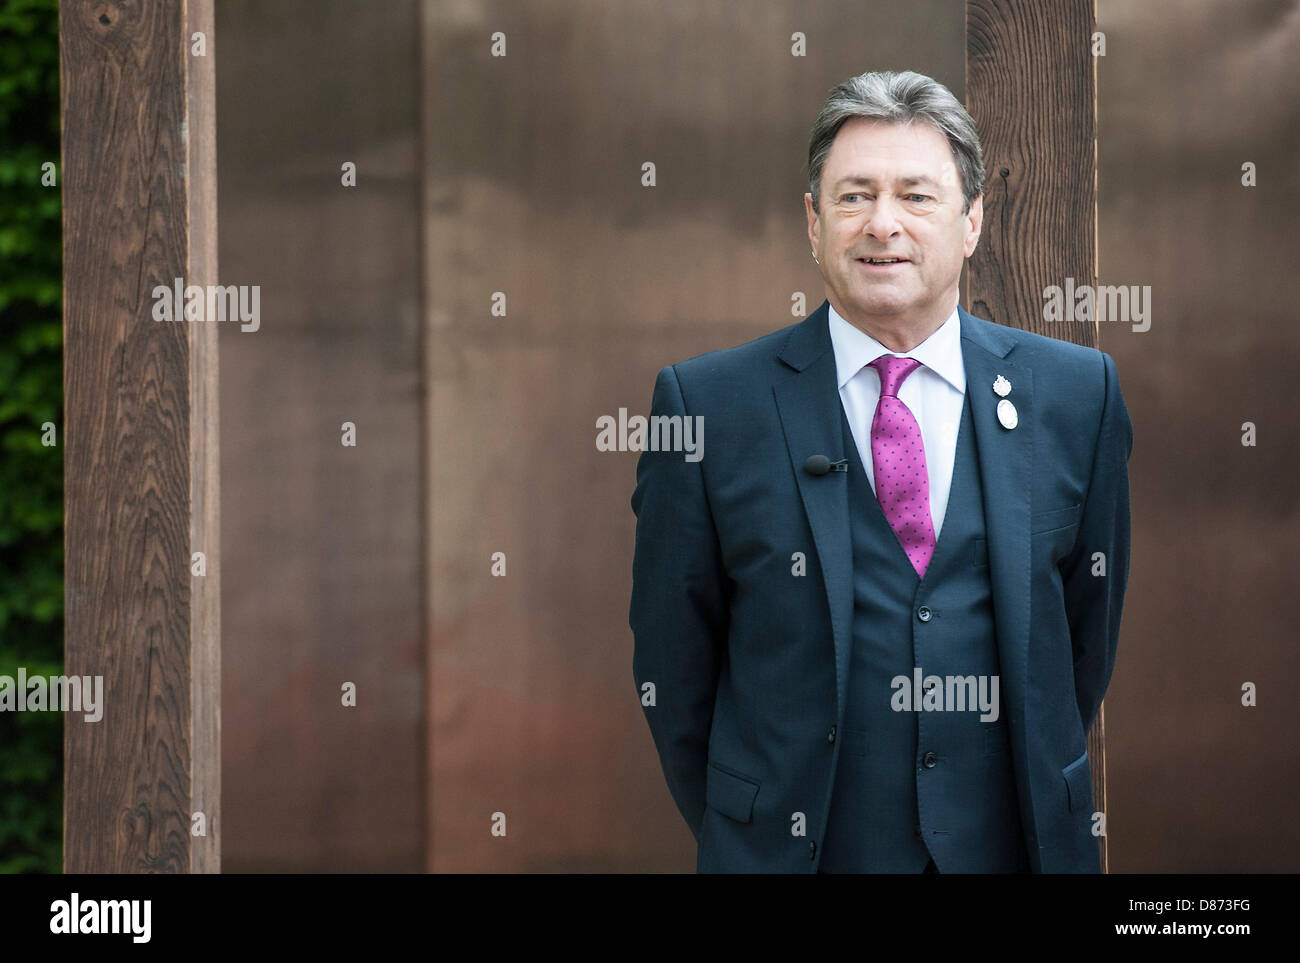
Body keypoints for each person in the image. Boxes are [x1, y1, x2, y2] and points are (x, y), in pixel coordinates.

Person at [629, 69, 1132, 873]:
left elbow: (1082, 642)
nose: (882, 224)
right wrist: (752, 817)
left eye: (917, 197)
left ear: (971, 220)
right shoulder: (709, 407)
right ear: (813, 221)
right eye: (854, 195)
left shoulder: (1076, 396)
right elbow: (672, 662)